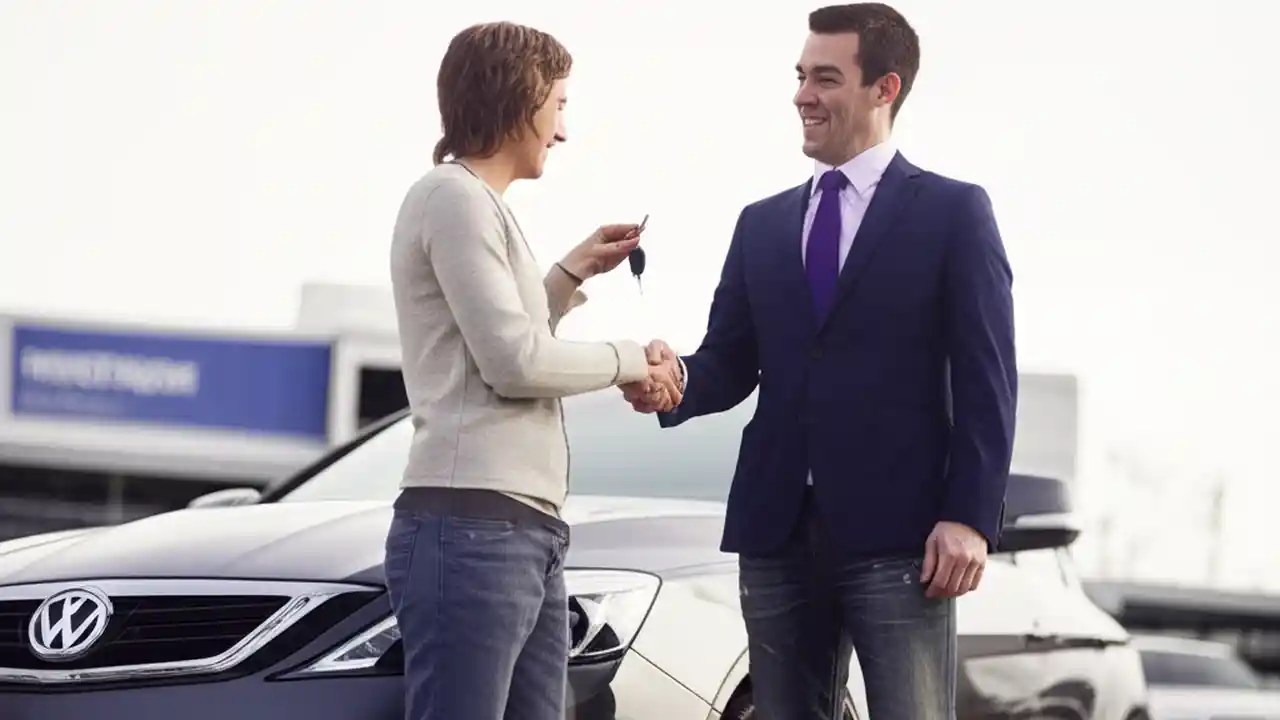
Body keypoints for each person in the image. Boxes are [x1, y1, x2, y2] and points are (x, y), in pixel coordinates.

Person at [625, 3, 1017, 717]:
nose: (803, 94)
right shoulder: (762, 223)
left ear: (884, 88)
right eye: (801, 75)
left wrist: (970, 516)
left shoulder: (954, 214)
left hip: (902, 543)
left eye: (826, 78)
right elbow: (730, 360)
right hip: (775, 535)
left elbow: (990, 378)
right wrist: (672, 380)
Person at [384, 21, 683, 720]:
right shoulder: (452, 198)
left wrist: (571, 271)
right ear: (519, 98)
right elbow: (514, 363)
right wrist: (630, 360)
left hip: (516, 530)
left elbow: (494, 343)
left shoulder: (473, 204)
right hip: (474, 530)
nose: (562, 130)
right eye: (559, 105)